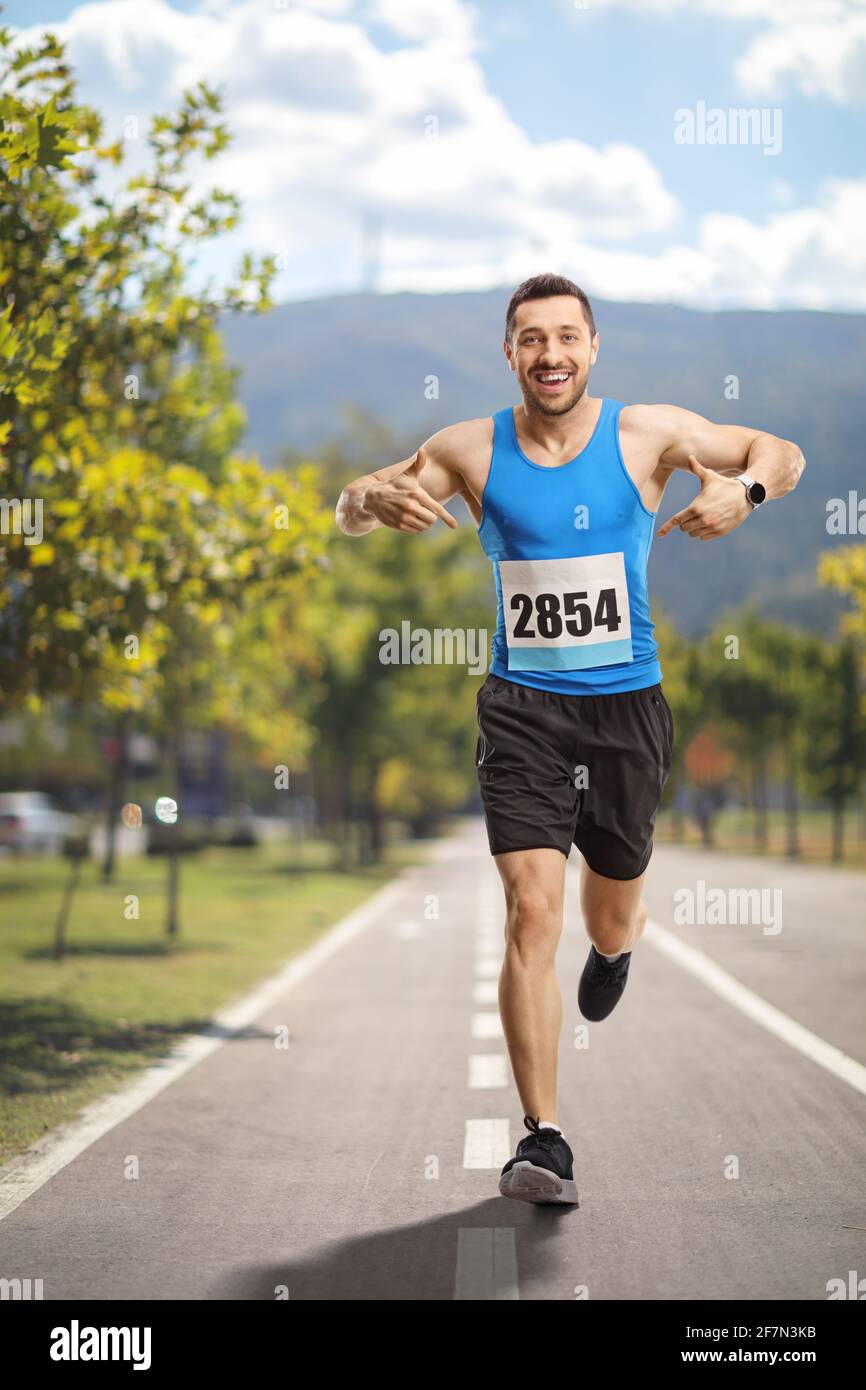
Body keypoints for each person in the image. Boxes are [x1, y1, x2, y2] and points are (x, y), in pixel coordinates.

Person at [335, 273, 805, 1206]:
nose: (549, 354)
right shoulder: (466, 446)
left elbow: (780, 450)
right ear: (507, 354)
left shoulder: (649, 432)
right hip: (522, 712)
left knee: (608, 909)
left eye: (565, 337)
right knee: (530, 913)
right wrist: (360, 498)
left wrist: (745, 492)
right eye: (529, 339)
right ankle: (544, 1139)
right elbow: (358, 508)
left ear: (593, 349)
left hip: (628, 711)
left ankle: (618, 949)